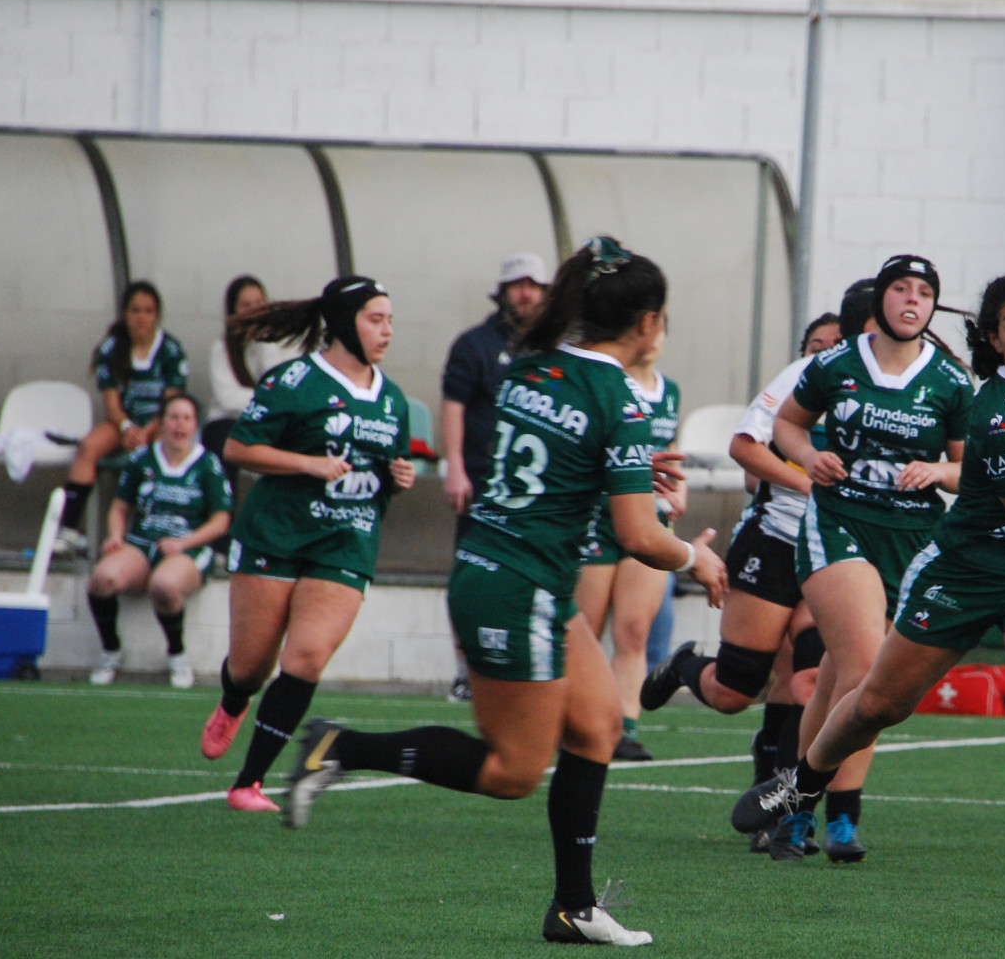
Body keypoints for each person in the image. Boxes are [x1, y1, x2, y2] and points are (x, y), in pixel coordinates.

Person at [279, 238, 728, 948]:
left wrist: (625, 468)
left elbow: (558, 461)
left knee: (598, 727)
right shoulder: (619, 396)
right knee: (513, 771)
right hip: (520, 589)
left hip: (508, 575)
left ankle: (573, 909)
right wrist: (697, 560)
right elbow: (640, 535)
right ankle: (340, 745)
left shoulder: (528, 365)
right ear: (647, 323)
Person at [735, 268, 1005, 935]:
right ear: (993, 341)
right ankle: (805, 778)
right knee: (879, 704)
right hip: (966, 572)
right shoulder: (995, 413)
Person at [671, 256, 971, 864]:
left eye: (924, 292)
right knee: (856, 673)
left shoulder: (951, 380)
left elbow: (968, 470)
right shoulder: (832, 363)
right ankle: (806, 796)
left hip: (909, 538)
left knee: (835, 680)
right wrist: (809, 458)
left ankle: (813, 812)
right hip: (835, 526)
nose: (912, 300)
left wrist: (939, 471)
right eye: (900, 289)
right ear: (879, 301)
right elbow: (782, 428)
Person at [636, 299, 851, 853]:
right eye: (817, 346)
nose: (827, 355)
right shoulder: (798, 383)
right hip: (773, 543)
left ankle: (782, 811)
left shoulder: (870, 392)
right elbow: (746, 452)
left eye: (837, 345)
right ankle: (684, 664)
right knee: (736, 691)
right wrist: (806, 482)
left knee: (807, 680)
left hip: (832, 552)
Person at [198, 277, 416, 812]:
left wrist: (398, 476)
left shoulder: (393, 399)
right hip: (276, 534)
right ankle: (234, 700)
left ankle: (248, 783)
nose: (387, 331)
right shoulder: (294, 380)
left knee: (307, 657)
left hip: (346, 540)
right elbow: (239, 448)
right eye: (376, 319)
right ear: (343, 324)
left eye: (390, 320)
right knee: (250, 667)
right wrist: (308, 464)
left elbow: (382, 470)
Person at [441, 253, 551, 702]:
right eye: (517, 285)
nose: (526, 293)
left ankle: (518, 666)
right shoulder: (474, 344)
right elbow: (454, 406)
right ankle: (464, 669)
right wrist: (455, 468)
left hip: (533, 489)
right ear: (502, 291)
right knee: (470, 574)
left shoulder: (550, 348)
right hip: (482, 482)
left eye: (534, 285)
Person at [574, 327, 682, 762]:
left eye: (661, 327)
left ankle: (625, 728)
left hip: (650, 518)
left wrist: (677, 492)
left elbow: (671, 449)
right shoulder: (607, 384)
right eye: (646, 326)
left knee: (634, 630)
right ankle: (576, 721)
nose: (653, 337)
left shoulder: (670, 392)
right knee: (585, 629)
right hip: (601, 518)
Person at [85, 394, 233, 689]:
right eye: (173, 417)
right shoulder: (141, 459)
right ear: (161, 424)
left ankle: (177, 655)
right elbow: (120, 507)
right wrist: (115, 535)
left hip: (187, 546)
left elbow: (221, 521)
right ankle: (111, 651)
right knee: (102, 579)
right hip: (142, 541)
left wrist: (184, 543)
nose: (180, 425)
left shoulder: (207, 464)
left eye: (187, 419)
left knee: (164, 585)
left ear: (195, 425)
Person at [55, 281, 190, 555]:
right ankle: (69, 529)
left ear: (157, 315)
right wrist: (127, 427)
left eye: (148, 311)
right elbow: (112, 403)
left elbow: (171, 403)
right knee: (88, 447)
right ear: (125, 314)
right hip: (123, 423)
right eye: (135, 310)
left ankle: (154, 528)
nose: (142, 318)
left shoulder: (171, 350)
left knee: (162, 449)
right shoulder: (111, 349)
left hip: (158, 424)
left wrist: (148, 430)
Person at [205, 275, 300, 459]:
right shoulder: (222, 348)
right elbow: (228, 399)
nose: (254, 310)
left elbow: (281, 385)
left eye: (259, 303)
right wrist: (268, 400)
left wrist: (265, 339)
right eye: (246, 305)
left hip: (270, 419)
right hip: (231, 420)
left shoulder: (281, 342)